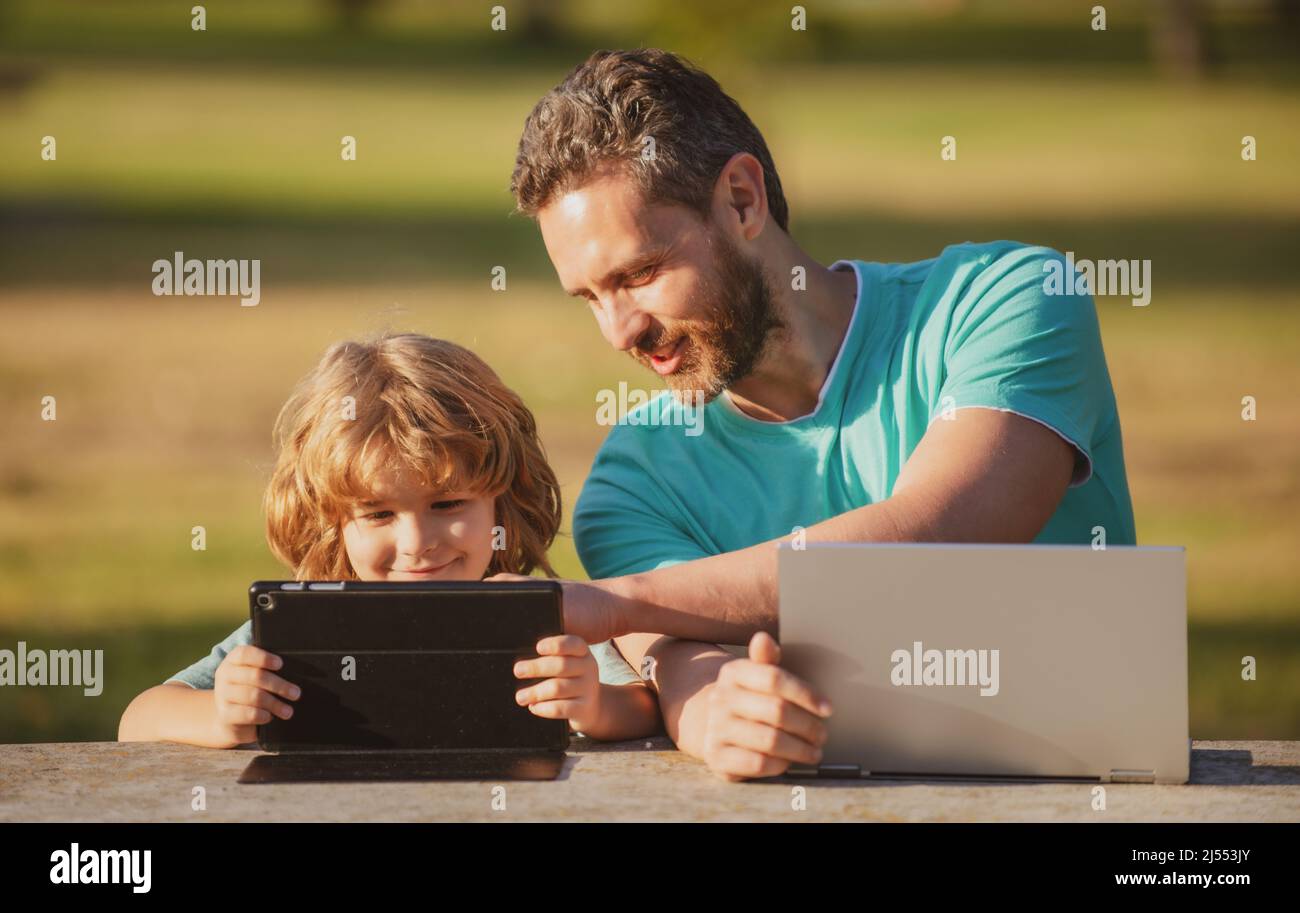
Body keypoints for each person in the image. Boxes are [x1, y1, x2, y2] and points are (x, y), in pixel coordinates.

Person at [503, 48, 1136, 780]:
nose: (619, 332)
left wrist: (613, 602)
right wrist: (715, 709)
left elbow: (948, 535)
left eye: (639, 274)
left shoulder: (1007, 298)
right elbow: (675, 659)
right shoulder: (635, 478)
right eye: (589, 297)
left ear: (742, 199)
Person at [118, 333, 660, 748]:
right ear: (334, 521)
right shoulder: (308, 626)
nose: (416, 541)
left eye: (447, 505)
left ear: (503, 497)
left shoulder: (535, 613)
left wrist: (593, 705)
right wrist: (220, 713)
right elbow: (139, 717)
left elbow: (648, 706)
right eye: (378, 513)